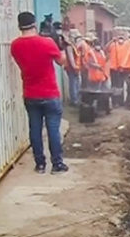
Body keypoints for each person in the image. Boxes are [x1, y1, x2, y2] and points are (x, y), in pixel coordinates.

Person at [10, 11, 69, 174]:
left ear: (19, 26)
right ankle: (57, 164)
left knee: (34, 129)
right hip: (50, 93)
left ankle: (40, 165)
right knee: (53, 130)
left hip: (30, 94)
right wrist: (61, 46)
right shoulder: (47, 42)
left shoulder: (15, 46)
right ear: (35, 24)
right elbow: (61, 62)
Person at [106, 30, 130, 108]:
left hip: (117, 68)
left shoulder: (114, 43)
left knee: (117, 86)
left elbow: (106, 49)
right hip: (129, 68)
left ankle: (117, 102)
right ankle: (128, 103)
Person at [64, 29, 83, 105]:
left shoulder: (74, 45)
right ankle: (74, 100)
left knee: (77, 83)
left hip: (76, 68)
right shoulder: (69, 46)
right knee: (73, 84)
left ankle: (77, 99)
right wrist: (75, 67)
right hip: (71, 68)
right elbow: (71, 58)